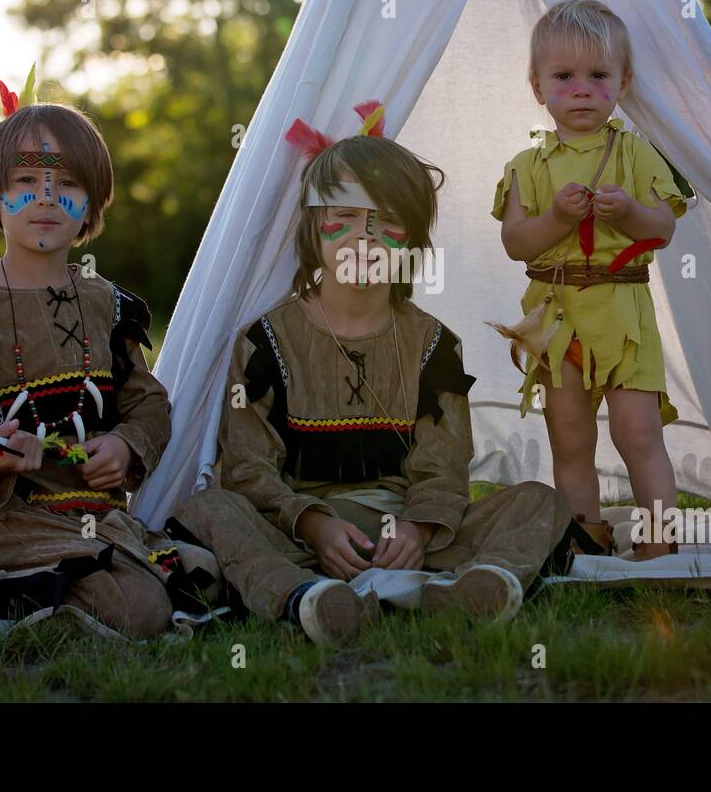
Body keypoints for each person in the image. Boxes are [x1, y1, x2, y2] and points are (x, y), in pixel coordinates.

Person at [174, 101, 573, 645]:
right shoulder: (265, 340)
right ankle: (307, 598)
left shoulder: (433, 343)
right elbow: (247, 466)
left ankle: (475, 586)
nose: (365, 239)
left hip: (410, 536)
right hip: (303, 538)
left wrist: (419, 526)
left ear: (411, 240)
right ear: (314, 227)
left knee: (539, 499)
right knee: (211, 506)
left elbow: (444, 463)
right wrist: (313, 523)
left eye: (387, 222)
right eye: (346, 217)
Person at [0, 70, 217, 651]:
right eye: (26, 180)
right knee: (139, 608)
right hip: (11, 520)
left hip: (98, 517)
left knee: (205, 571)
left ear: (91, 204)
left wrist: (126, 445)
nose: (46, 198)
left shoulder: (108, 305)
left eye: (67, 184)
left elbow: (148, 403)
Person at [490, 0, 688, 560]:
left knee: (637, 433)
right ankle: (585, 537)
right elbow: (514, 243)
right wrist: (555, 219)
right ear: (538, 86)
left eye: (598, 75)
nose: (581, 89)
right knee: (571, 438)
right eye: (564, 76)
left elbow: (664, 228)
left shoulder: (637, 153)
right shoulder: (526, 167)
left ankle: (659, 543)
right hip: (556, 320)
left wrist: (628, 212)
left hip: (622, 312)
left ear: (623, 83)